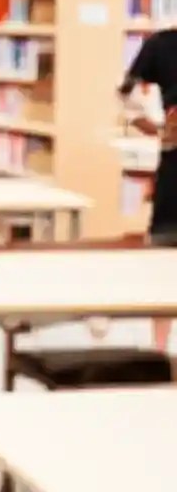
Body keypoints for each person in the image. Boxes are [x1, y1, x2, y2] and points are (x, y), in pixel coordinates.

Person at [119, 27, 177, 349]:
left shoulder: (162, 43)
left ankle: (160, 347)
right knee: (165, 254)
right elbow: (126, 93)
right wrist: (155, 127)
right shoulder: (162, 44)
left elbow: (125, 94)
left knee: (165, 254)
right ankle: (160, 348)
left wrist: (152, 126)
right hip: (174, 168)